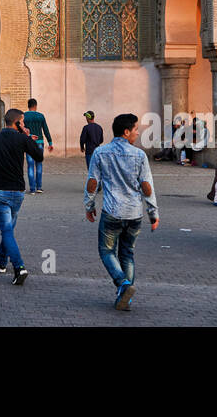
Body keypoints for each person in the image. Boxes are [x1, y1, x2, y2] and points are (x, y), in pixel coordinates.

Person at [85, 113, 159, 311]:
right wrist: (153, 212)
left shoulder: (100, 153)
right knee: (127, 253)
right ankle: (126, 298)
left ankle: (123, 284)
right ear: (126, 132)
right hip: (135, 213)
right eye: (135, 129)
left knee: (106, 251)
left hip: (112, 211)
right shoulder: (140, 155)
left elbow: (93, 183)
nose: (137, 133)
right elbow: (147, 186)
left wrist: (89, 206)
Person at [0, 108, 42, 286]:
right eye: (23, 122)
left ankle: (19, 267)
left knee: (7, 230)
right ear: (17, 122)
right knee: (8, 229)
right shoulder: (22, 138)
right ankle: (2, 260)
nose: (24, 125)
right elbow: (39, 156)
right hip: (17, 192)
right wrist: (27, 137)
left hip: (0, 192)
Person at [22, 99, 53, 192]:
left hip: (28, 143)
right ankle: (39, 187)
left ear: (28, 106)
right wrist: (50, 142)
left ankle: (32, 189)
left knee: (30, 165)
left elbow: (21, 130)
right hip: (39, 142)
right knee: (39, 164)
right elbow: (45, 130)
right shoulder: (41, 116)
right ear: (35, 106)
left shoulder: (24, 116)